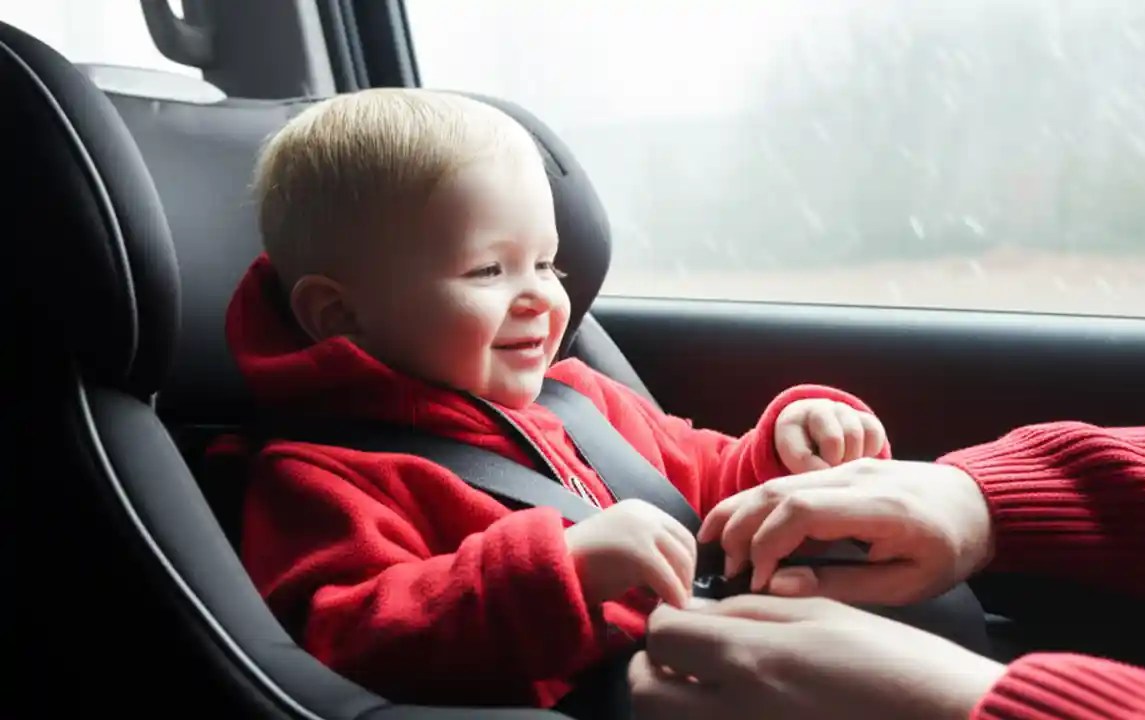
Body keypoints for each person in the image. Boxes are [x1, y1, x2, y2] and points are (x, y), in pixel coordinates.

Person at [224, 87, 892, 710]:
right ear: (340, 316)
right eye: (489, 269)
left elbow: (709, 481)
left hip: (709, 662)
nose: (542, 296)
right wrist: (563, 568)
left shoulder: (581, 400)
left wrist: (789, 452)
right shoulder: (321, 476)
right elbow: (353, 638)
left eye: (546, 264)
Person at [629, 398, 1145, 719]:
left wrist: (967, 703)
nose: (540, 297)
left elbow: (705, 469)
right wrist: (986, 497)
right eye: (518, 264)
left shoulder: (595, 404)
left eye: (550, 264)